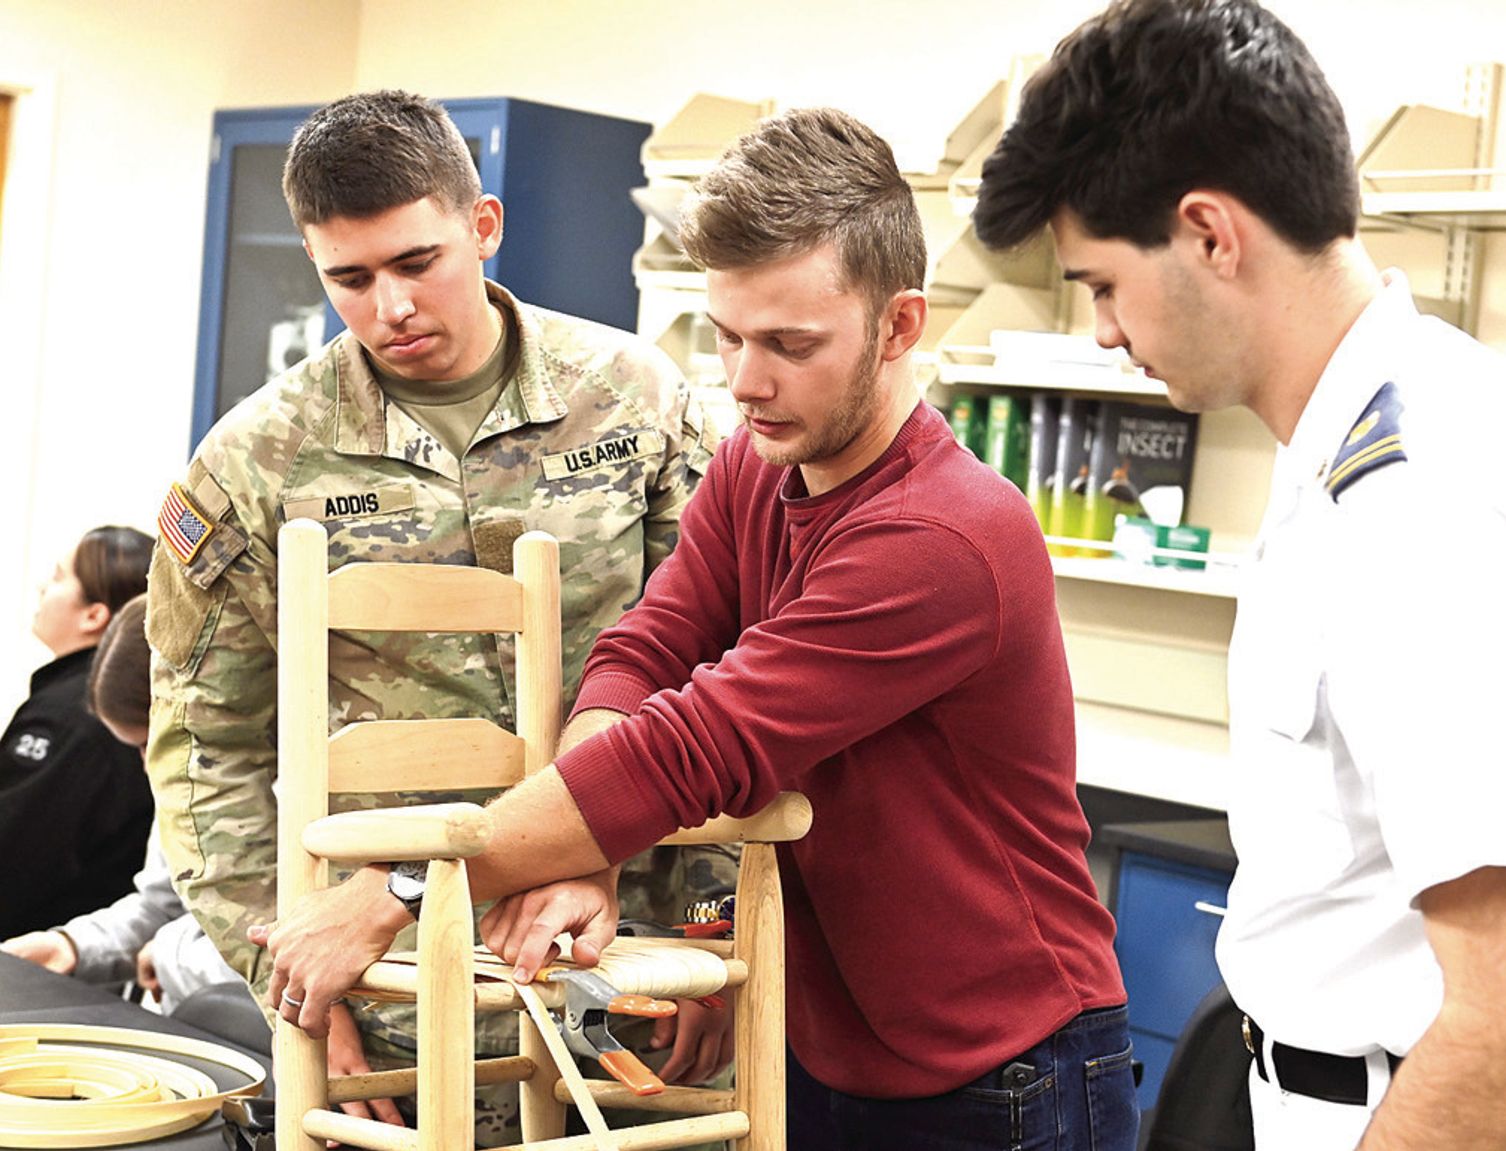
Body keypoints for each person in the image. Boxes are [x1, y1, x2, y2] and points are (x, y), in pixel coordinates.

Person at [254, 106, 1137, 1151]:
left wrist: (400, 886)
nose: (746, 381)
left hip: (1001, 1073)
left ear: (902, 326)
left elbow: (697, 745)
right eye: (727, 336)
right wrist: (589, 854)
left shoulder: (943, 535)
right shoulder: (756, 468)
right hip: (830, 1047)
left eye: (791, 344)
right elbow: (643, 654)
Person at [970, 1, 1506, 1148]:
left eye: (1103, 283)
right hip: (1286, 1078)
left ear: (1212, 234)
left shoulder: (1413, 501)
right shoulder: (1340, 436)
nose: (1103, 333)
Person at [145, 90, 720, 1142]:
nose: (388, 308)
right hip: (388, 974)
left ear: (484, 225)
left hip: (618, 949)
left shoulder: (636, 399)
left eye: (417, 263)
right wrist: (285, 967)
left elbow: (721, 674)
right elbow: (202, 745)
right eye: (349, 280)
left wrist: (712, 933)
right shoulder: (256, 460)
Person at [1, 595, 242, 1014]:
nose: (149, 766)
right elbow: (159, 906)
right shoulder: (178, 788)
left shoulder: (310, 792)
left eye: (153, 743)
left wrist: (169, 952)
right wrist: (70, 946)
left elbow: (285, 952)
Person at [1, 525, 154, 940]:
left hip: (39, 957)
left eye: (57, 578)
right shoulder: (115, 704)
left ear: (94, 614)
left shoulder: (76, 716)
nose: (41, 589)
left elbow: (16, 854)